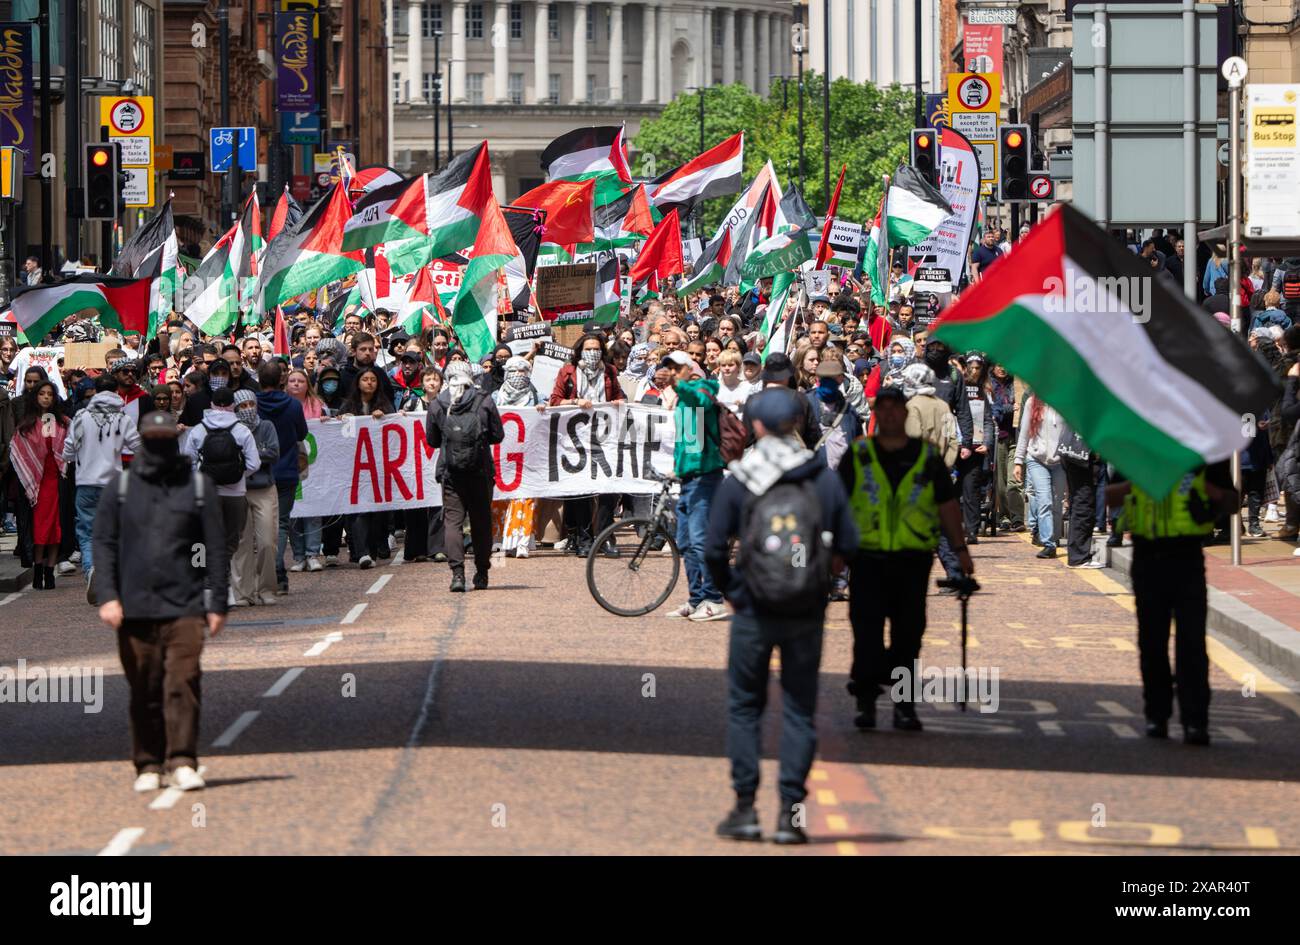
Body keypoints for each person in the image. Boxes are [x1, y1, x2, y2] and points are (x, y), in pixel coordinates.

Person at [705, 388, 858, 844]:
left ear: (755, 427)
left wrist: (733, 592)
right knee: (797, 709)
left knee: (745, 706)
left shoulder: (740, 479)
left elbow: (713, 548)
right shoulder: (820, 477)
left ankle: (745, 807)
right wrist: (823, 579)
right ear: (796, 423)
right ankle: (790, 813)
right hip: (805, 606)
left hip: (753, 605)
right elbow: (848, 543)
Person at [93, 410, 229, 793]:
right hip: (133, 606)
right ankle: (149, 763)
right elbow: (103, 544)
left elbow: (215, 548)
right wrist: (108, 596)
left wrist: (217, 601)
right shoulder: (119, 489)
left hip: (185, 604)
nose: (159, 447)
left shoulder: (198, 487)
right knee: (145, 686)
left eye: (165, 440)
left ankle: (183, 759)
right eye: (152, 441)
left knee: (182, 680)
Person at [839, 386, 974, 731]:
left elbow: (947, 505)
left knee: (908, 636)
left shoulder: (926, 457)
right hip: (867, 559)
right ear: (876, 415)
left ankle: (904, 706)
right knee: (866, 634)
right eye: (880, 409)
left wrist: (960, 551)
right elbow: (837, 506)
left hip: (912, 560)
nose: (888, 415)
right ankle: (866, 702)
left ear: (904, 414)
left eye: (894, 409)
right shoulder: (858, 455)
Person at [1107, 463, 1237, 746]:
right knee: (1152, 642)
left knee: (1192, 642)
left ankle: (1196, 721)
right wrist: (1139, 480)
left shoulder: (1204, 453)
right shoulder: (1137, 451)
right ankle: (1157, 715)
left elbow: (1232, 501)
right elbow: (1110, 496)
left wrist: (1206, 488)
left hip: (1188, 558)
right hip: (1147, 557)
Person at [661, 350, 730, 621]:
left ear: (689, 370)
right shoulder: (681, 400)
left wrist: (677, 385)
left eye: (676, 369)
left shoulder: (703, 389)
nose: (671, 373)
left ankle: (714, 598)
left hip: (706, 475)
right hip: (689, 477)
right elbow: (685, 440)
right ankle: (696, 597)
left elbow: (699, 402)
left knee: (702, 541)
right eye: (668, 369)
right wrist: (676, 469)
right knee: (686, 542)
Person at [61, 374, 142, 602]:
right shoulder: (122, 417)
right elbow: (137, 446)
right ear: (116, 390)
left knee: (87, 534)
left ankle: (91, 569)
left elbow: (68, 451)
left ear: (95, 390)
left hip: (86, 483)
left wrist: (79, 455)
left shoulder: (80, 416)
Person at [425, 360, 504, 591]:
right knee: (481, 522)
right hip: (480, 470)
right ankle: (481, 573)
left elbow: (432, 441)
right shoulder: (484, 399)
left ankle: (457, 575)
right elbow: (498, 435)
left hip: (450, 472)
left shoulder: (438, 403)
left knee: (452, 522)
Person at [181, 386, 260, 592]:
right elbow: (254, 463)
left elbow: (186, 460)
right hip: (236, 493)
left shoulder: (199, 430)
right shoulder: (241, 430)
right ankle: (221, 572)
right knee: (231, 539)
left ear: (212, 405)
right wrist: (236, 476)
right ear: (233, 406)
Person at [255, 361, 308, 594]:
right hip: (286, 471)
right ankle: (278, 573)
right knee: (282, 522)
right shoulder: (293, 405)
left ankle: (268, 575)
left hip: (259, 472)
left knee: (260, 526)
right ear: (282, 380)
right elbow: (302, 433)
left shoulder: (252, 404)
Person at [10, 380, 69, 589]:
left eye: (50, 394)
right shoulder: (27, 424)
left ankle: (50, 572)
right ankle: (38, 570)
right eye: (42, 393)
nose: (46, 397)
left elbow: (59, 447)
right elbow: (19, 451)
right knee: (39, 529)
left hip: (58, 480)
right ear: (35, 396)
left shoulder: (60, 422)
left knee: (56, 528)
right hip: (36, 482)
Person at [338, 366, 396, 568]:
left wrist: (386, 417)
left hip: (379, 468)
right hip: (356, 468)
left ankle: (373, 548)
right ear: (358, 383)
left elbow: (394, 428)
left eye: (373, 379)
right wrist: (340, 421)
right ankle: (361, 552)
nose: (369, 383)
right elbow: (337, 435)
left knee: (377, 512)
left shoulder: (384, 404)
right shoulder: (348, 405)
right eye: (365, 379)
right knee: (359, 510)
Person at [229, 389, 281, 606]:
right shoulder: (231, 429)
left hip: (264, 488)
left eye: (251, 404)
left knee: (267, 541)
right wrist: (257, 453)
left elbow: (273, 453)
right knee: (241, 543)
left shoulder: (266, 426)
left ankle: (267, 588)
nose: (248, 409)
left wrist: (248, 454)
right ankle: (243, 592)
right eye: (243, 406)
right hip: (238, 489)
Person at [491, 356, 545, 558]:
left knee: (526, 497)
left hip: (527, 456)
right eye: (514, 371)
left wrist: (542, 409)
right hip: (503, 456)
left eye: (523, 371)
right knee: (500, 498)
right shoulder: (496, 397)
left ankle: (521, 540)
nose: (518, 375)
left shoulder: (536, 395)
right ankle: (499, 541)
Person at [1014, 393, 1067, 559]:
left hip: (1060, 461)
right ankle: (1048, 543)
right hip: (1036, 459)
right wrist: (1018, 461)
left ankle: (1054, 537)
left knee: (1057, 502)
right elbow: (1024, 433)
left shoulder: (1066, 401)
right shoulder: (1032, 402)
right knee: (1044, 500)